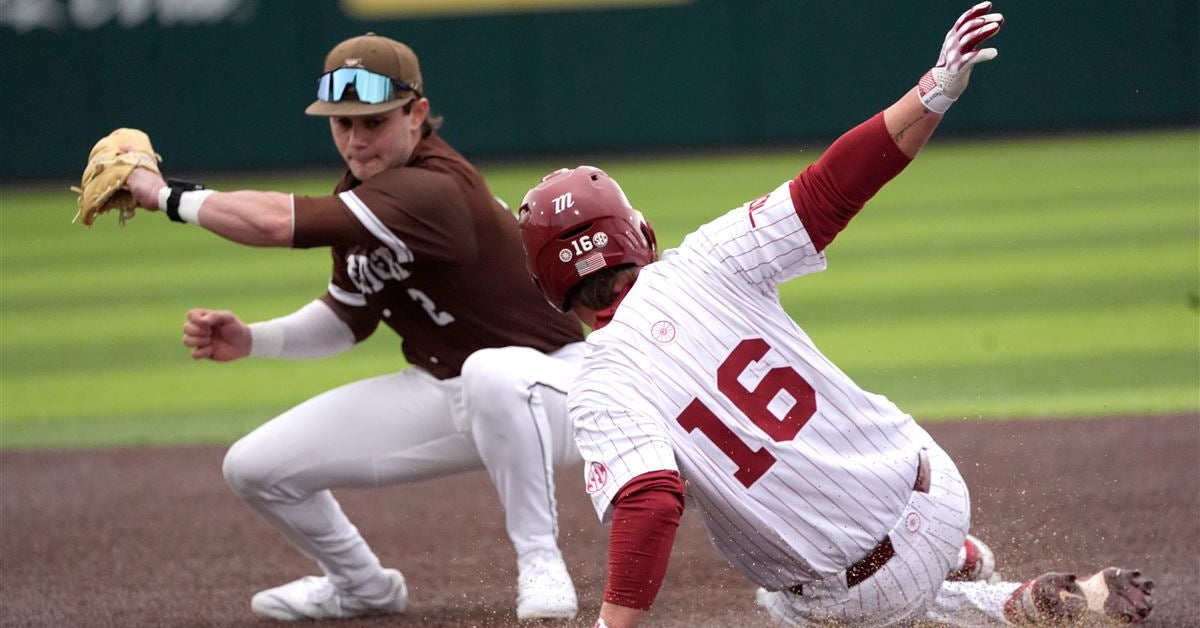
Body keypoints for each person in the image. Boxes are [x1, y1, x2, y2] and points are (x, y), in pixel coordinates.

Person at [515, 3, 1154, 627]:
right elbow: (831, 188)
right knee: (869, 578)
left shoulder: (598, 384)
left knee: (784, 603)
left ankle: (969, 596)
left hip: (859, 593)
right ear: (640, 233)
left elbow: (651, 503)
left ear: (550, 287)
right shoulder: (708, 257)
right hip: (937, 491)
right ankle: (1006, 598)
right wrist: (932, 92)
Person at [123, 33, 585, 621]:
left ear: (417, 114)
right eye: (342, 124)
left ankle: (541, 562)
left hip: (557, 391)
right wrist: (254, 339)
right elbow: (347, 317)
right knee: (255, 467)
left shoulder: (434, 187)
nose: (356, 139)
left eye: (373, 122)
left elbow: (273, 224)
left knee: (490, 370)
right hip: (450, 392)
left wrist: (163, 195)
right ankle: (360, 586)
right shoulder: (361, 194)